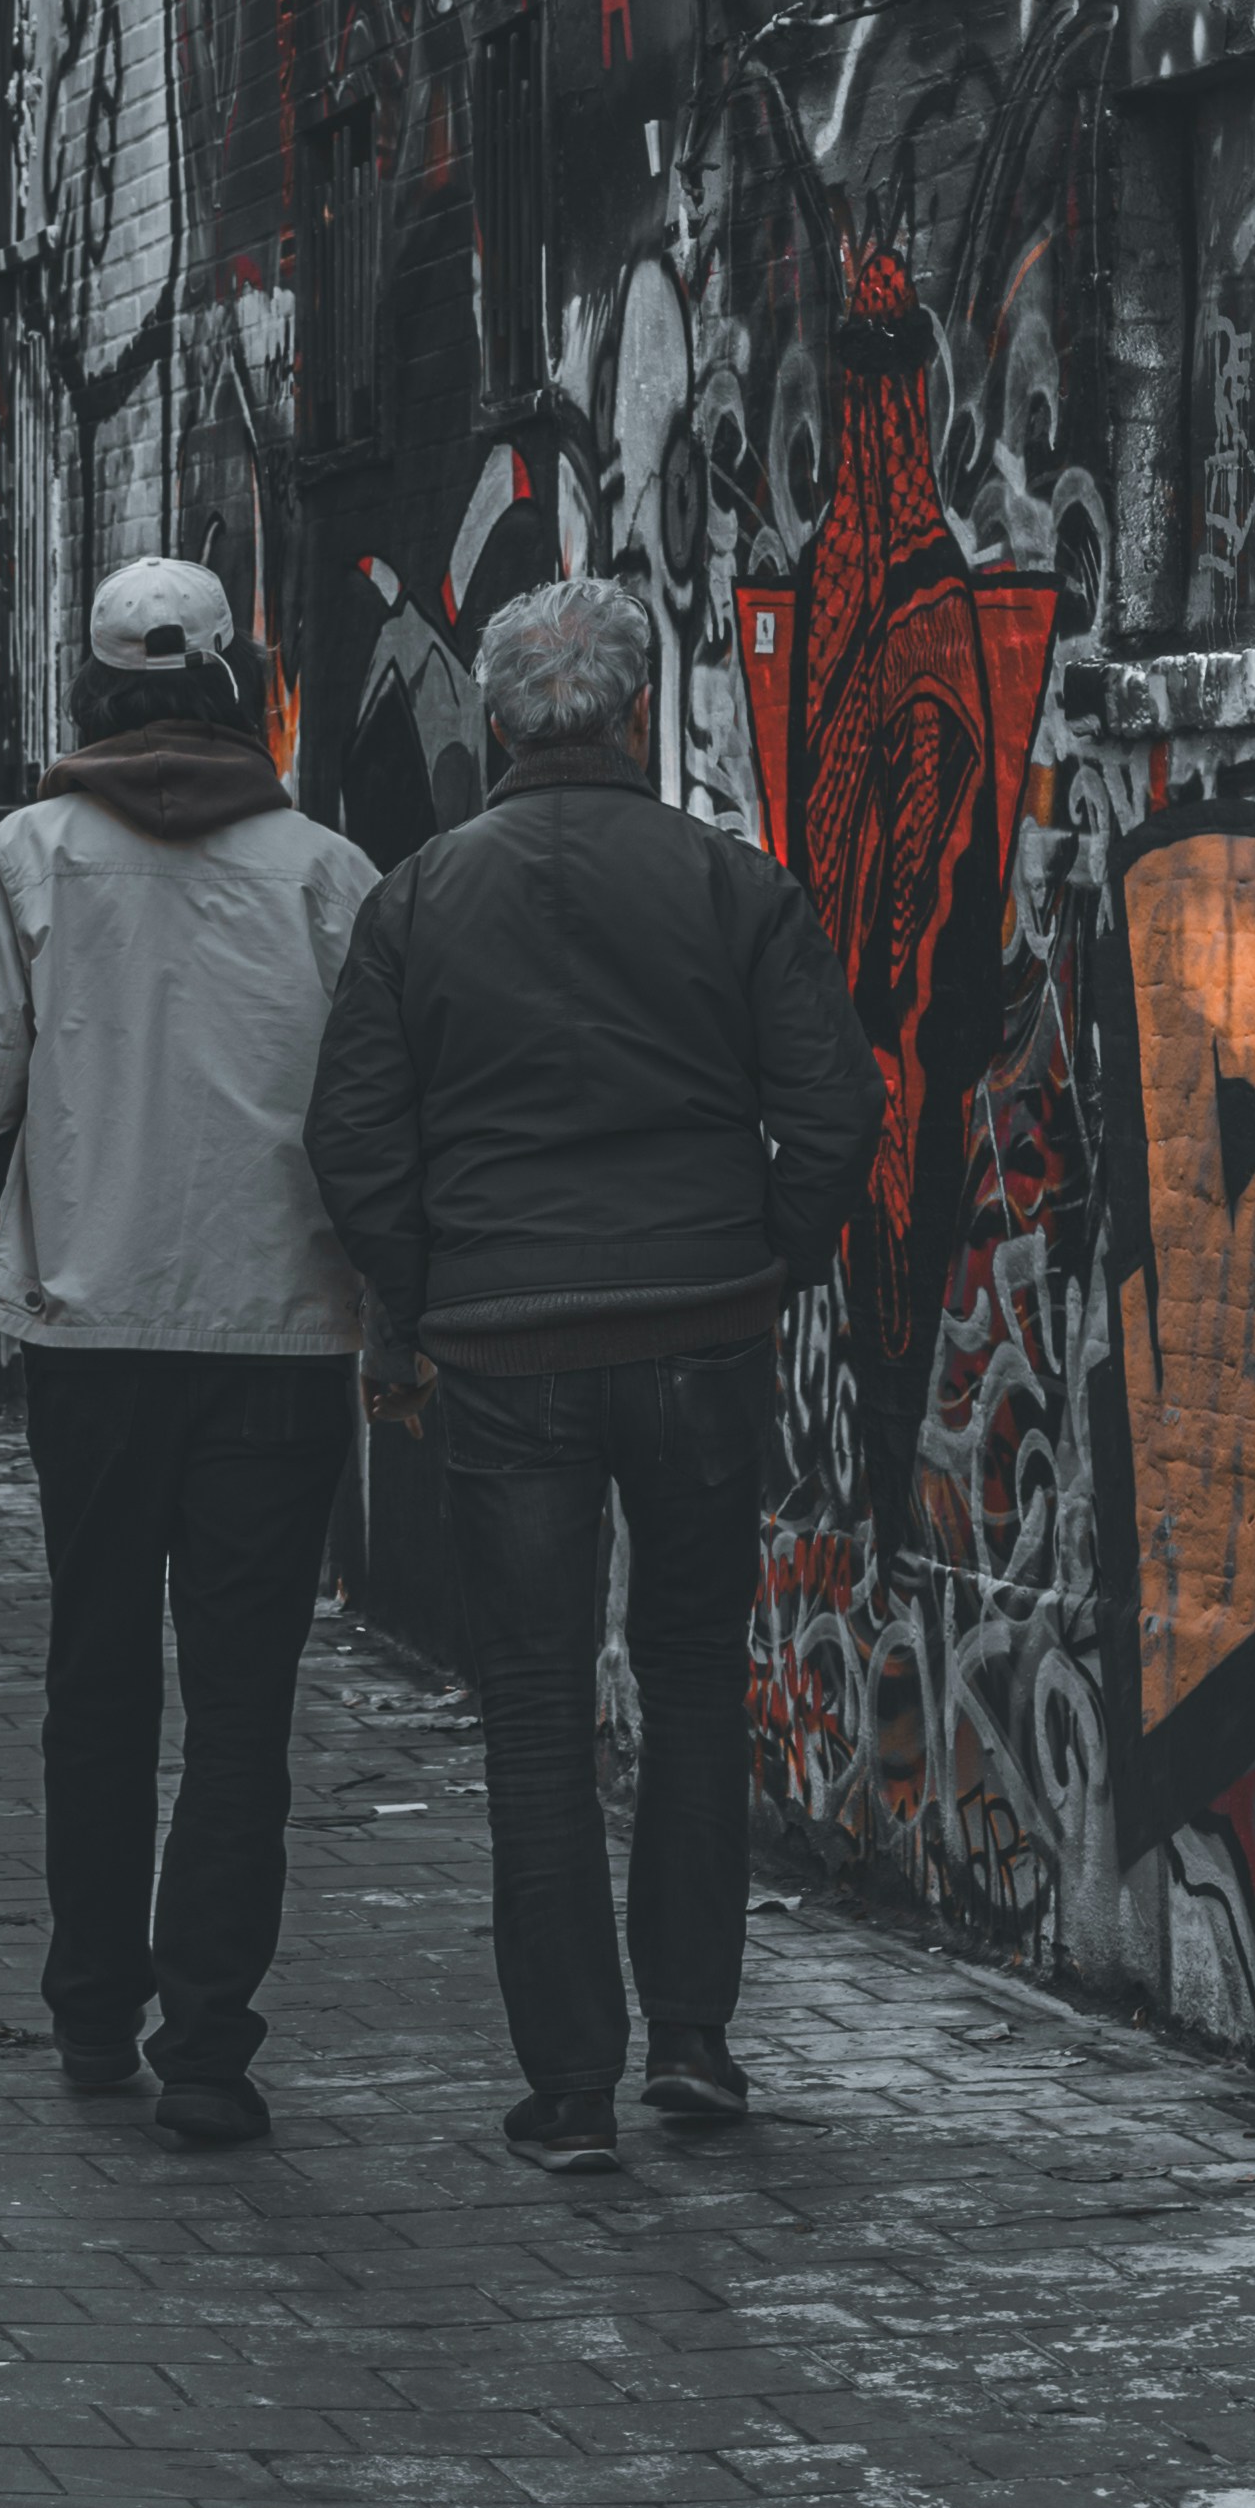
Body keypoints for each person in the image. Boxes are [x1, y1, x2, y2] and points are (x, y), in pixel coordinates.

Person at [301, 578, 873, 2175]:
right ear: (632, 712)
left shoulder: (418, 900)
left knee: (537, 1711)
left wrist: (426, 1300)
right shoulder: (733, 886)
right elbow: (835, 1110)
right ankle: (692, 2039)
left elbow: (353, 1138)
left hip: (509, 1346)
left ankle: (567, 2094)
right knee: (692, 1681)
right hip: (699, 1331)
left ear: (497, 720)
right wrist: (764, 1263)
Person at [0, 558, 378, 2147]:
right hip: (279, 1332)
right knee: (243, 1704)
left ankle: (92, 2011)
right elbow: (371, 1106)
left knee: (97, 1674)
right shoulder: (327, 872)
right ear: (236, 683)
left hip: (91, 1336)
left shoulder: (27, 857)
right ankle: (212, 2048)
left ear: (91, 691)